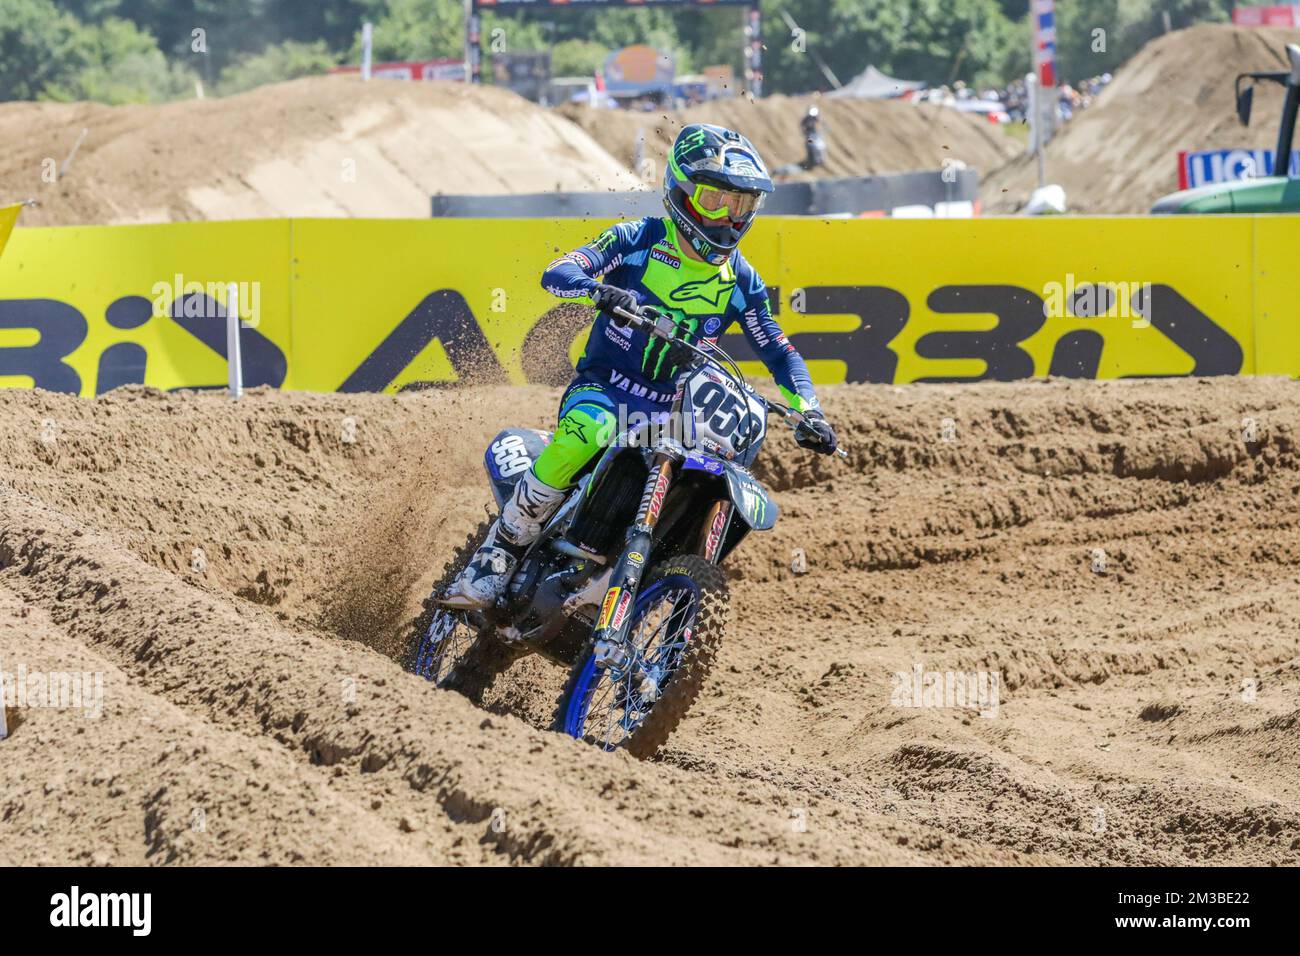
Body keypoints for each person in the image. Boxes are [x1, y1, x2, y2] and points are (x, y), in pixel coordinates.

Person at [443, 123, 838, 609]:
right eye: (717, 200)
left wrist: (810, 410)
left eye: (742, 205)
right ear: (682, 191)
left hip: (671, 412)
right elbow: (559, 271)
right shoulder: (640, 237)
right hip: (604, 389)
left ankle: (653, 579)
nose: (729, 217)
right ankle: (498, 553)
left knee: (709, 469)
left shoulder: (743, 282)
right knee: (587, 431)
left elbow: (780, 353)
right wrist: (596, 289)